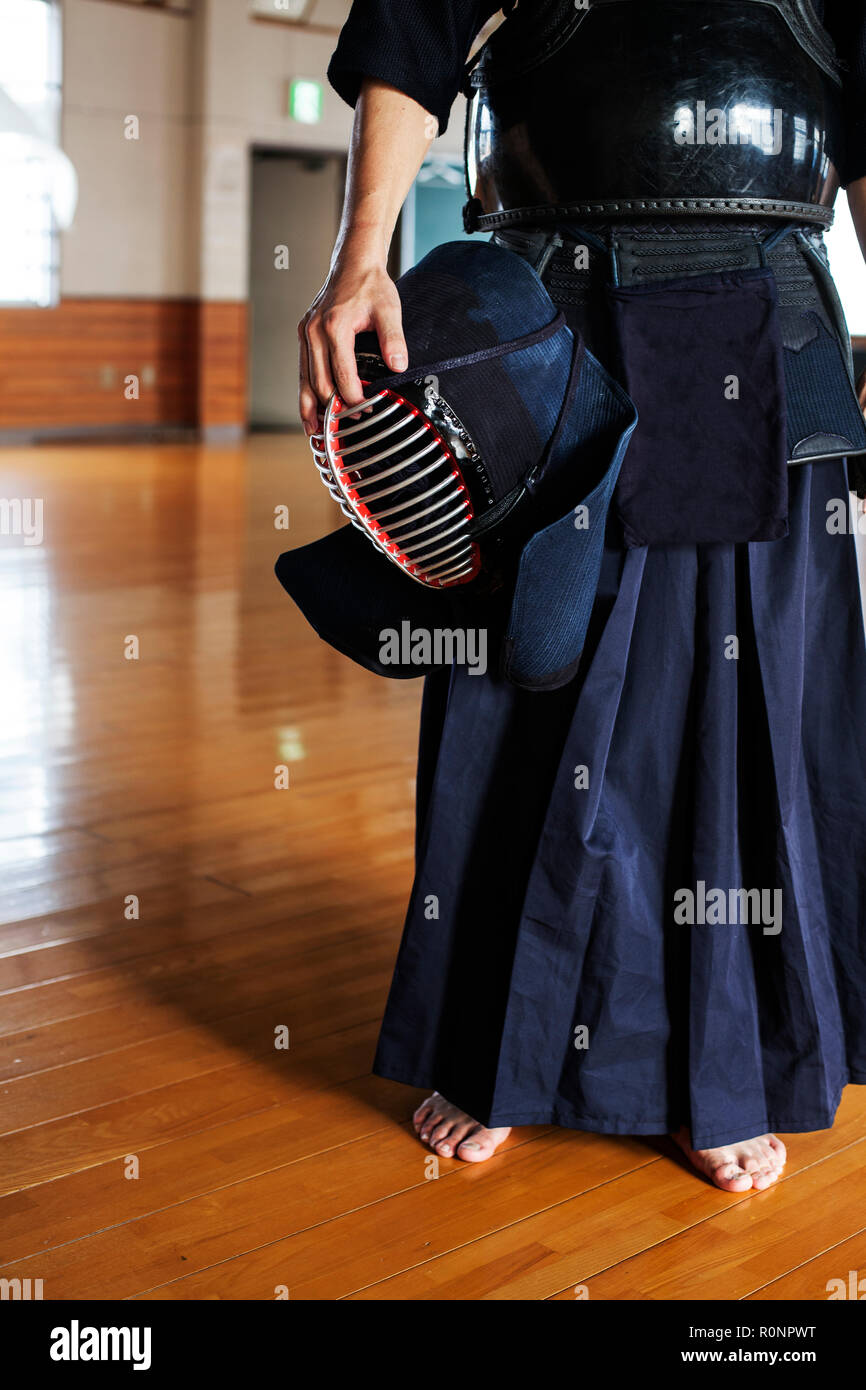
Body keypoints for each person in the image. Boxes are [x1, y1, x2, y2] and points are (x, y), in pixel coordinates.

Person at [297, 0, 866, 1194]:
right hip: (552, 325)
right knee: (527, 685)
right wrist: (359, 262)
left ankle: (718, 1065)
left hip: (767, 321)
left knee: (723, 718)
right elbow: (408, 33)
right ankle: (500, 1050)